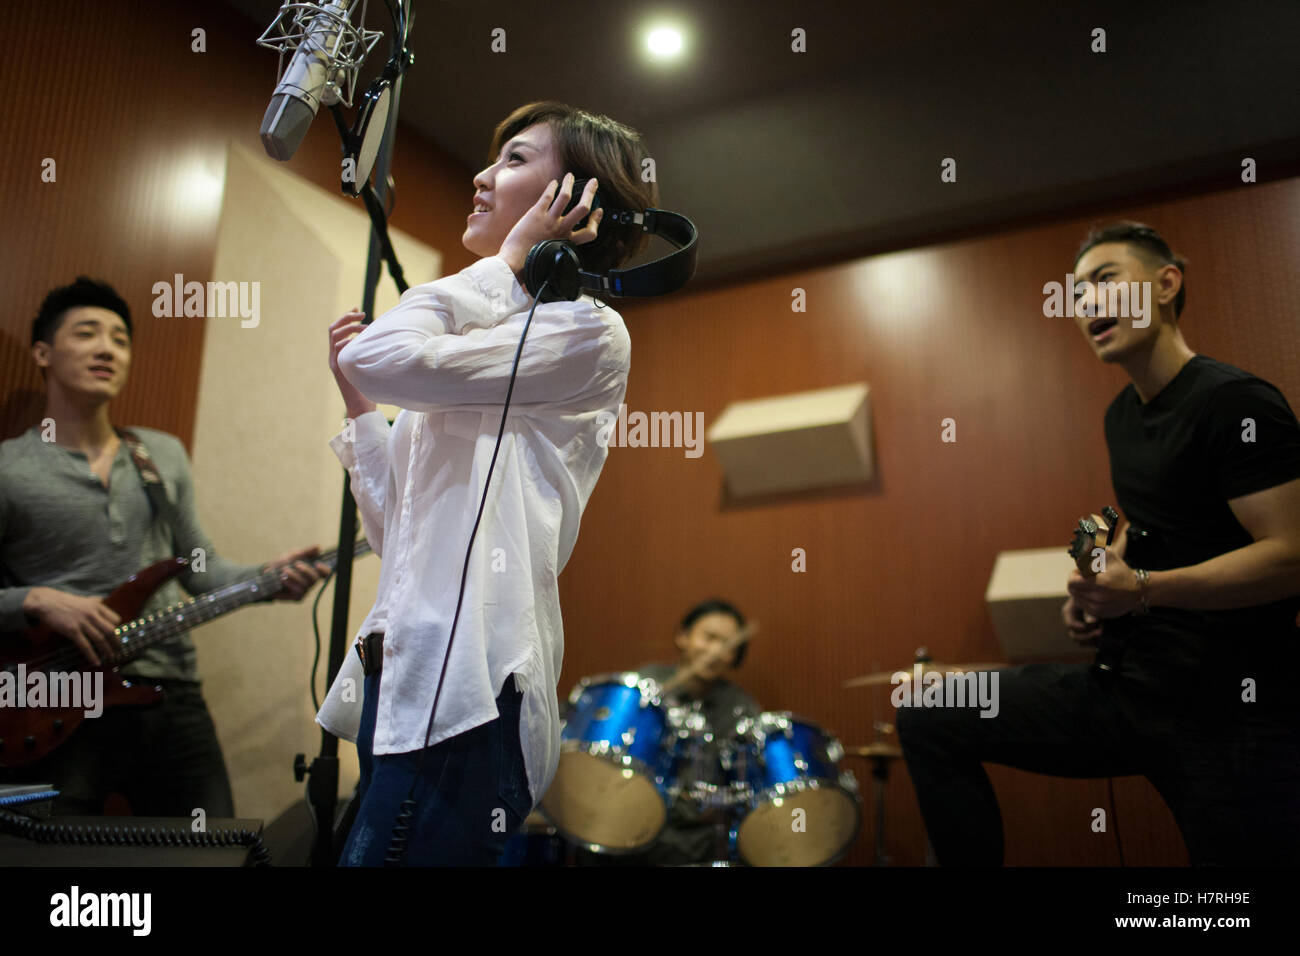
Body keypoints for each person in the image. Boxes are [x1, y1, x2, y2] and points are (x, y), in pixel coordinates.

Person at [897, 222, 1300, 866]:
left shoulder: (1235, 404)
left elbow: (1290, 558)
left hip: (1226, 712)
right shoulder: (1122, 418)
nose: (1086, 304)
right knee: (927, 707)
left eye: (1105, 281)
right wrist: (1097, 601)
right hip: (1128, 689)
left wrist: (1141, 591)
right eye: (1076, 294)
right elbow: (1160, 540)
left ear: (1167, 284)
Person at [318, 101, 657, 866]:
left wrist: (505, 265)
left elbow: (380, 352)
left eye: (513, 160)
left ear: (574, 202)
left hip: (468, 683)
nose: (480, 175)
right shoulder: (480, 336)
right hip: (398, 674)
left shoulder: (586, 332)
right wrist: (361, 409)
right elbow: (392, 533)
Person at [0, 277, 330, 817]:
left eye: (120, 338)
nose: (108, 348)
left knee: (213, 850)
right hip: (57, 703)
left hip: (173, 694)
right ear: (43, 353)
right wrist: (36, 599)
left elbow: (200, 571)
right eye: (87, 333)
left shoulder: (160, 455)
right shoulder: (8, 469)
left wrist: (266, 580)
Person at [632, 598, 761, 865]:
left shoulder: (741, 708)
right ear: (683, 636)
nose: (715, 650)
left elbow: (747, 788)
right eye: (709, 637)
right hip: (632, 829)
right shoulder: (646, 685)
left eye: (727, 645)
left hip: (701, 844)